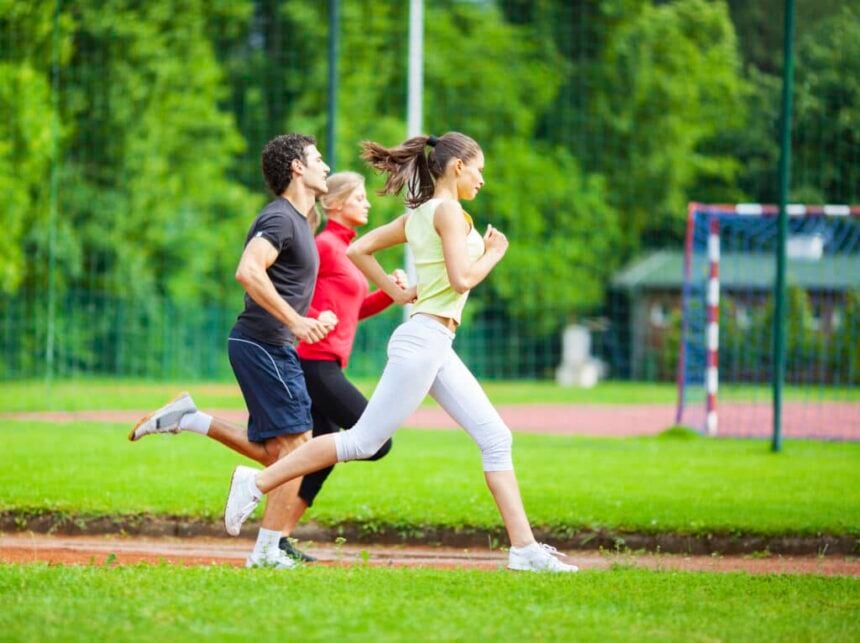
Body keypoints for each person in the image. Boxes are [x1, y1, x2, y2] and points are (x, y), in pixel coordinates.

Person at [222, 131, 578, 573]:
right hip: (424, 340)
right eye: (480, 170)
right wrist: (494, 253)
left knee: (495, 438)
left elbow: (359, 248)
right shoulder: (448, 211)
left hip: (435, 342)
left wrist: (394, 291)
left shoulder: (422, 213)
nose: (482, 180)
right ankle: (255, 482)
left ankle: (524, 550)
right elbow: (462, 278)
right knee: (362, 441)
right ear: (458, 166)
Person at [129, 170, 410, 565]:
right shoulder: (326, 246)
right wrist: (306, 322)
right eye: (359, 196)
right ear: (334, 203)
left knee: (300, 455)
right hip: (312, 360)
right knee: (365, 441)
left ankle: (276, 540)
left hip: (319, 357)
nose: (367, 203)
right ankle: (270, 541)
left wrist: (389, 296)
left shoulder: (340, 248)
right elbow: (297, 300)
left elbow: (349, 312)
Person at [130, 133, 338, 569]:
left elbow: (284, 286)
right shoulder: (280, 218)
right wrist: (296, 322)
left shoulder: (304, 219)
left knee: (279, 455)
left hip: (267, 343)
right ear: (297, 167)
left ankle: (189, 418)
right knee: (301, 447)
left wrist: (310, 317)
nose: (326, 166)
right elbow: (248, 270)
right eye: (318, 159)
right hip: (263, 342)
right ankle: (266, 550)